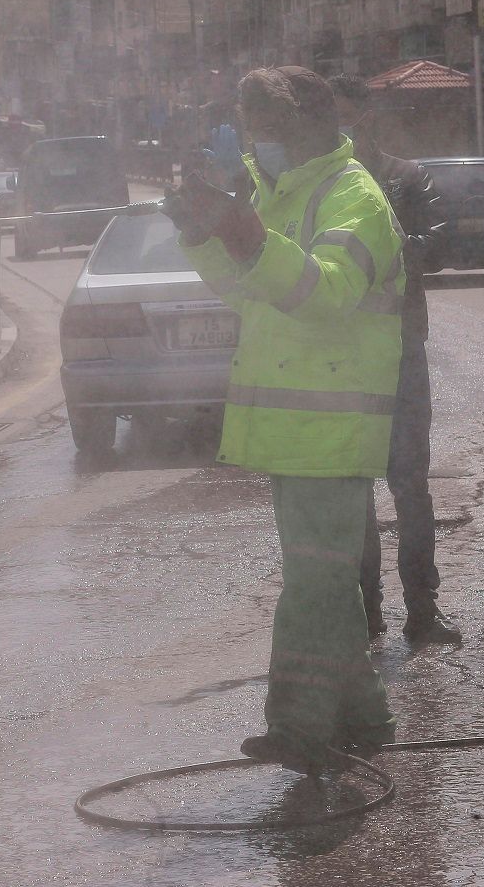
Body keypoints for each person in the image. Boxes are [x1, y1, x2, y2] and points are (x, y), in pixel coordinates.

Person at [165, 66, 406, 774]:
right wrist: (204, 234)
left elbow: (326, 294)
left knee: (315, 583)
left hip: (335, 430)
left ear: (302, 130)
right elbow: (249, 294)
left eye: (261, 134)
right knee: (325, 582)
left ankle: (298, 725)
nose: (252, 148)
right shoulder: (279, 191)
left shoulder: (353, 196)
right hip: (296, 433)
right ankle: (366, 714)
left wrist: (244, 232)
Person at [330, 75, 463, 647]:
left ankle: (422, 608)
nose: (343, 130)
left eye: (350, 118)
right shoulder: (324, 186)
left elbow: (437, 242)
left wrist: (381, 242)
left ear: (370, 118)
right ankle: (366, 610)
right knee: (353, 488)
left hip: (401, 352)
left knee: (409, 484)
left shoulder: (405, 178)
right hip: (342, 359)